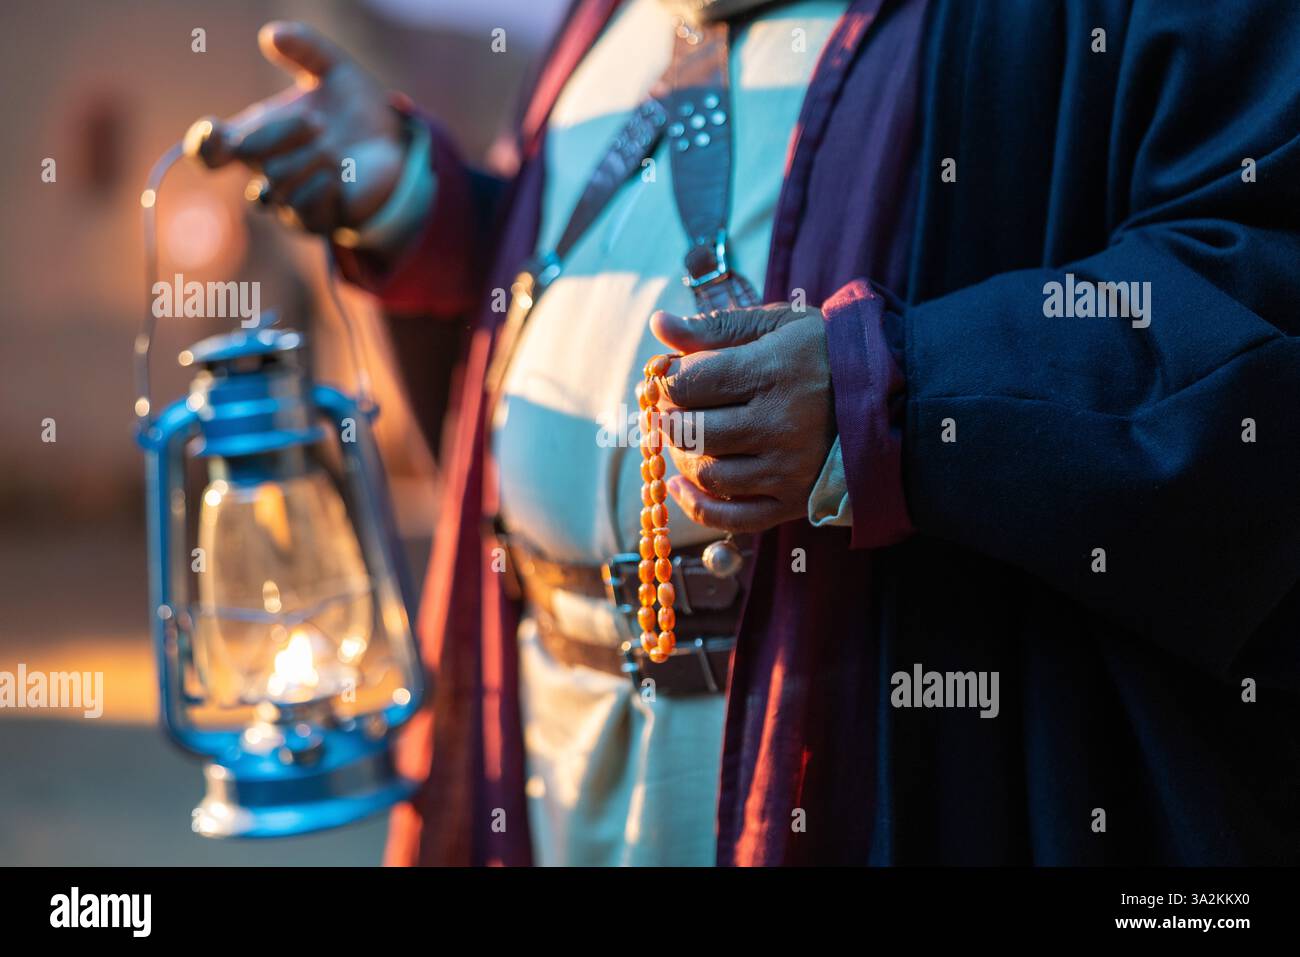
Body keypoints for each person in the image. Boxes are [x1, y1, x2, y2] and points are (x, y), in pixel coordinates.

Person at [197, 0, 1300, 866]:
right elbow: (572, 290)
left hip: (862, 756)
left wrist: (889, 397)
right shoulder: (606, 18)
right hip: (543, 742)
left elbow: (1257, 287)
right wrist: (410, 203)